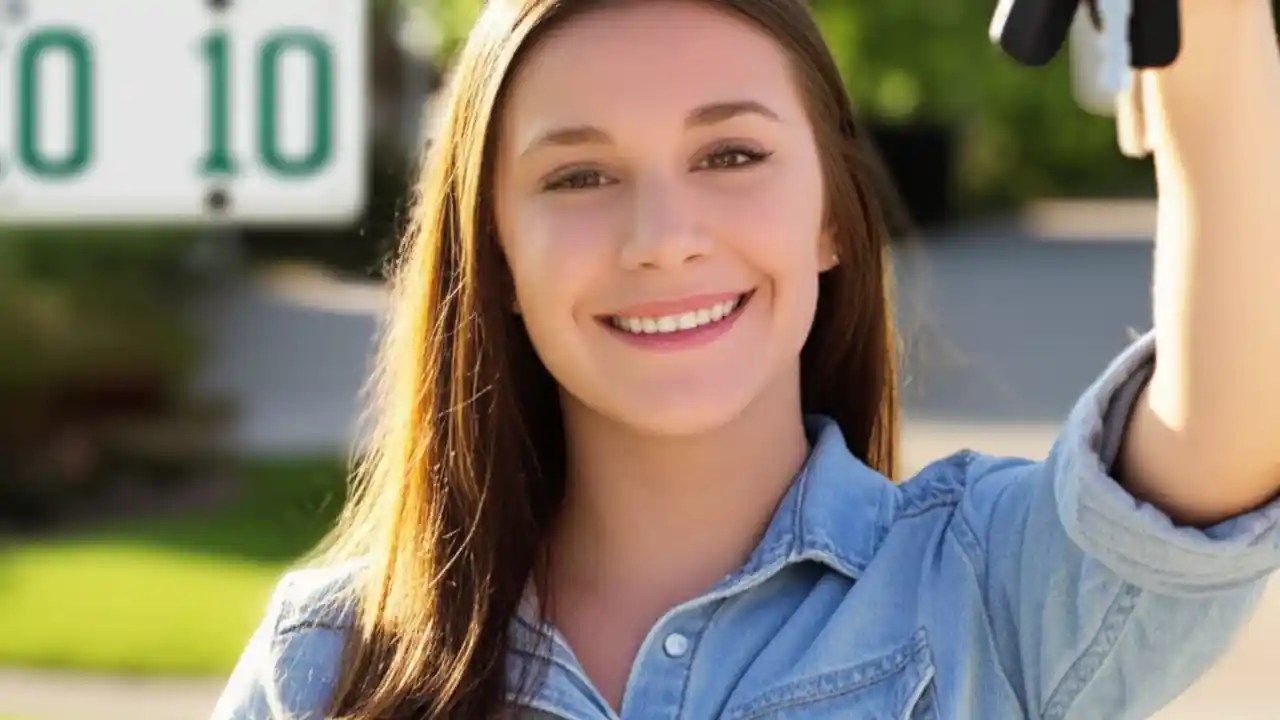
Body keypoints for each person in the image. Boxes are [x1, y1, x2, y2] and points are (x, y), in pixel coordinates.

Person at [211, 0, 1280, 718]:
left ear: (828, 217)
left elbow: (1223, 438)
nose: (661, 235)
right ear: (493, 252)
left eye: (730, 155)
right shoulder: (326, 667)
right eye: (578, 177)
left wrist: (1211, 51)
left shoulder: (985, 586)